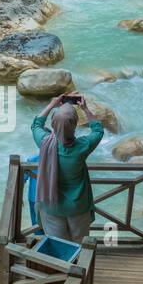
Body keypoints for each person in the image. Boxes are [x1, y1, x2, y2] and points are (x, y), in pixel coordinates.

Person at [32, 92, 105, 243]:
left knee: (58, 246)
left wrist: (52, 105)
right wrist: (85, 109)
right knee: (79, 244)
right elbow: (98, 130)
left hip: (51, 207)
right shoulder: (82, 146)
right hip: (77, 208)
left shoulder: (45, 143)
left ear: (53, 123)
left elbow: (36, 124)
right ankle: (79, 266)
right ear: (75, 124)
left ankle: (61, 267)